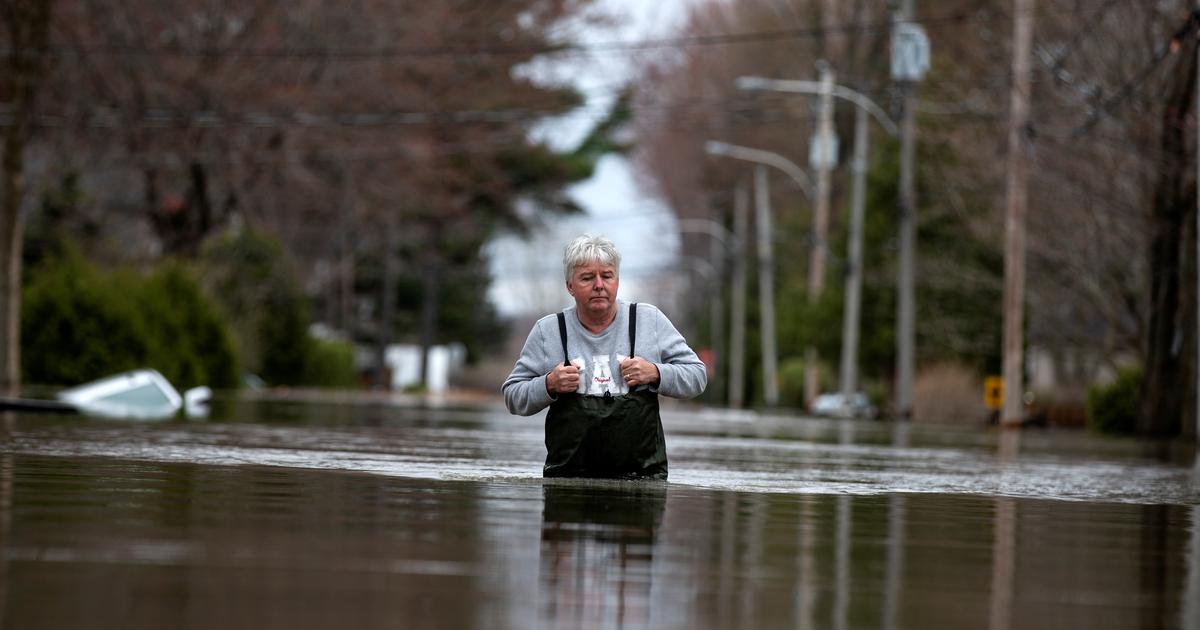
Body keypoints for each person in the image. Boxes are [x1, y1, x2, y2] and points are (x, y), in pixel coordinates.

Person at [502, 234, 707, 479]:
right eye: (587, 278)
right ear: (569, 286)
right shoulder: (549, 331)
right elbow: (512, 396)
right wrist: (548, 384)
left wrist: (655, 373)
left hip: (642, 483)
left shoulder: (648, 320)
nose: (599, 285)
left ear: (617, 281)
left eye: (607, 276)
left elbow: (698, 377)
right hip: (567, 483)